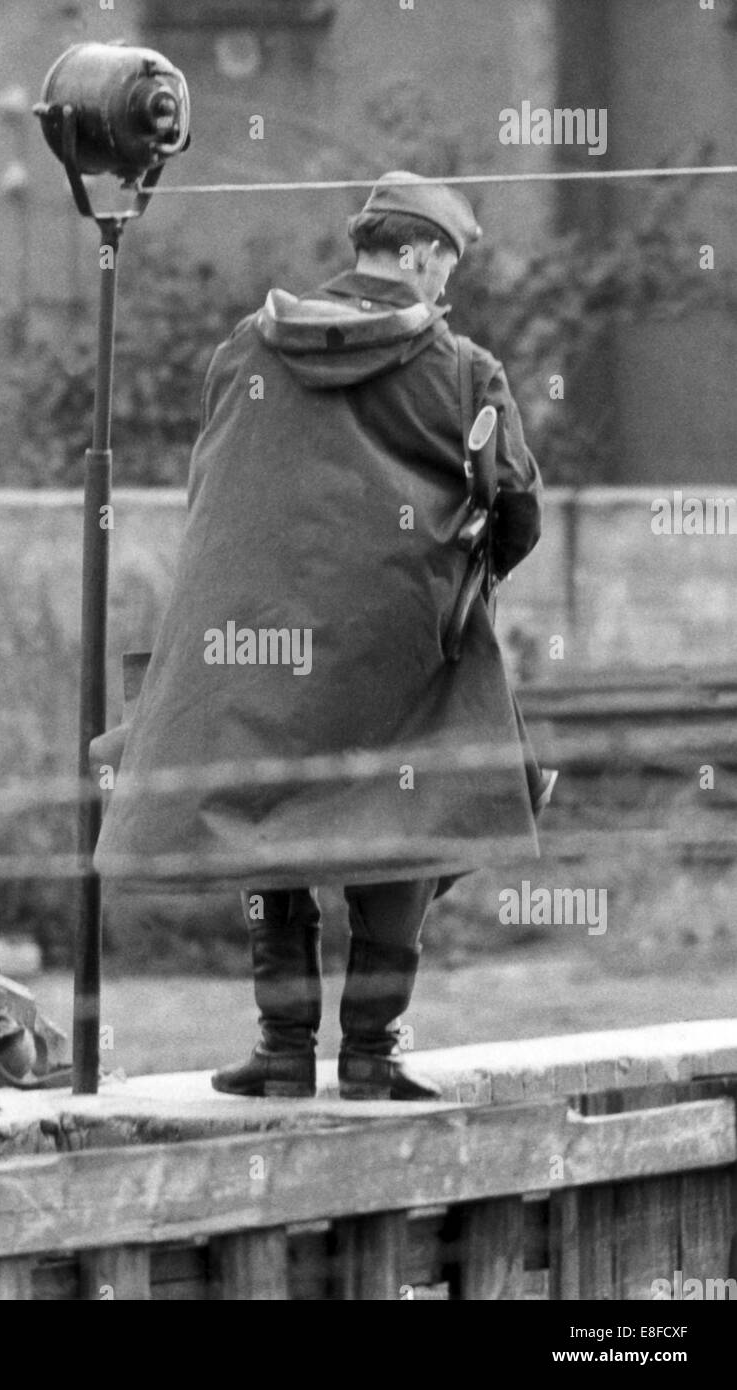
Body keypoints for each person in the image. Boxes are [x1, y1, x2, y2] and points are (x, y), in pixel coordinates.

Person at [94, 171, 546, 1100]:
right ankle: (373, 1056)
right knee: (403, 821)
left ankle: (283, 1049)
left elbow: (218, 487)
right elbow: (518, 510)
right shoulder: (461, 369)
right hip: (393, 644)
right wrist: (468, 575)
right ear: (419, 253)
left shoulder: (245, 349)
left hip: (253, 644)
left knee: (271, 817)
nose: (444, 290)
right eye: (446, 267)